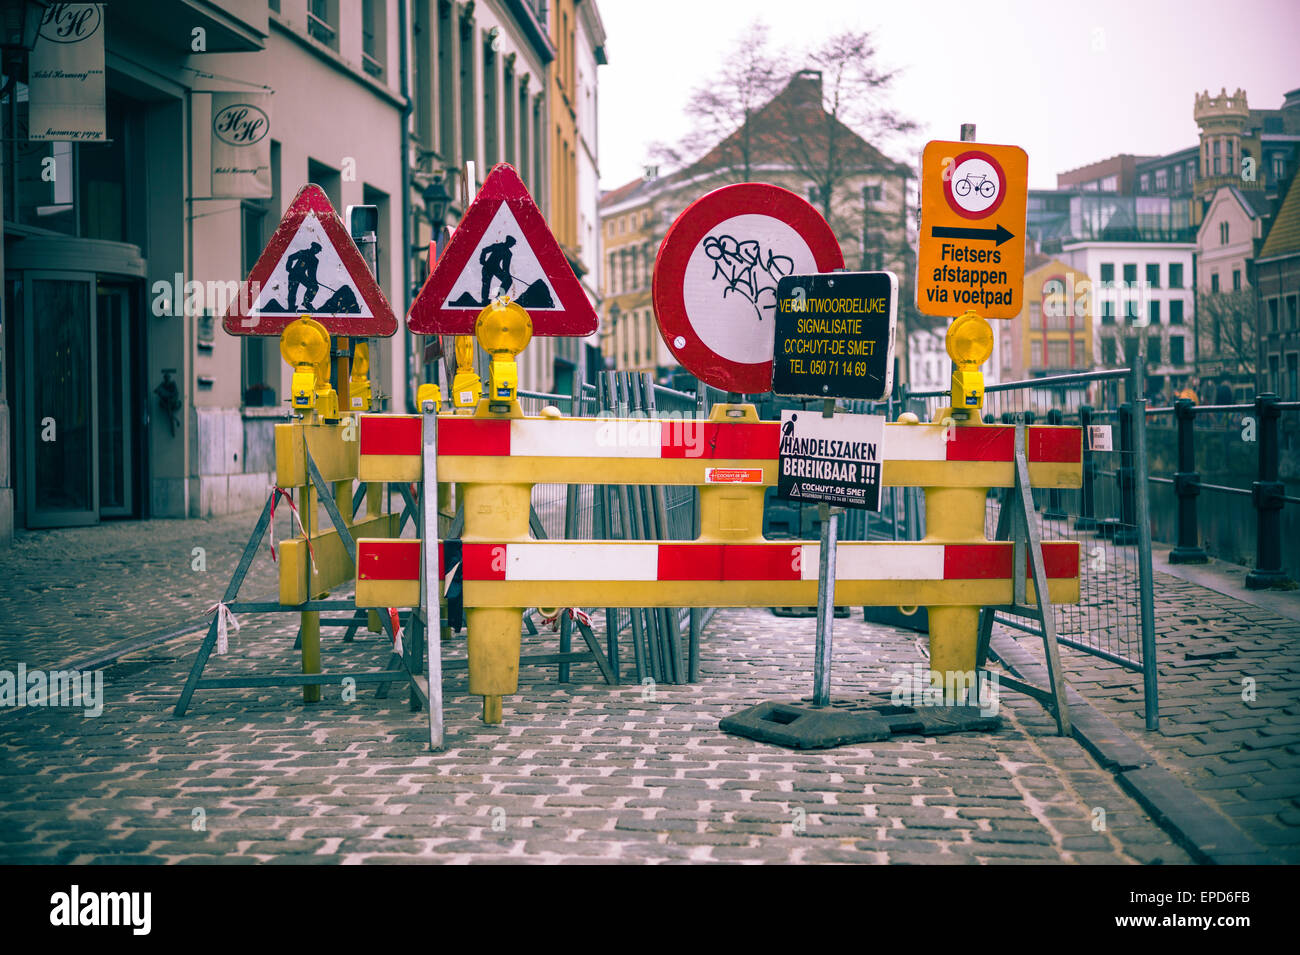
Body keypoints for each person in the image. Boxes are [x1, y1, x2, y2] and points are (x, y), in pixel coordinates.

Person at [479, 235, 516, 304]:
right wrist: (482, 261)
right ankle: (484, 300)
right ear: (509, 242)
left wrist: (507, 274)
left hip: (496, 268)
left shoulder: (508, 253)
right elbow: (484, 250)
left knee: (508, 280)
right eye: (512, 244)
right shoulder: (497, 246)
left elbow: (505, 267)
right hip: (488, 266)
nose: (512, 245)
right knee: (486, 283)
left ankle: (499, 297)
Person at [286, 241, 321, 311]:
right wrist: (289, 269)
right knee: (292, 291)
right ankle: (291, 307)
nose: (317, 252)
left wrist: (314, 281)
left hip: (302, 276)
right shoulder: (303, 253)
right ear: (314, 248)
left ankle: (306, 302)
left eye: (318, 251)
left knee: (314, 287)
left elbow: (312, 273)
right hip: (294, 274)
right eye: (317, 250)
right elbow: (290, 257)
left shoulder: (315, 260)